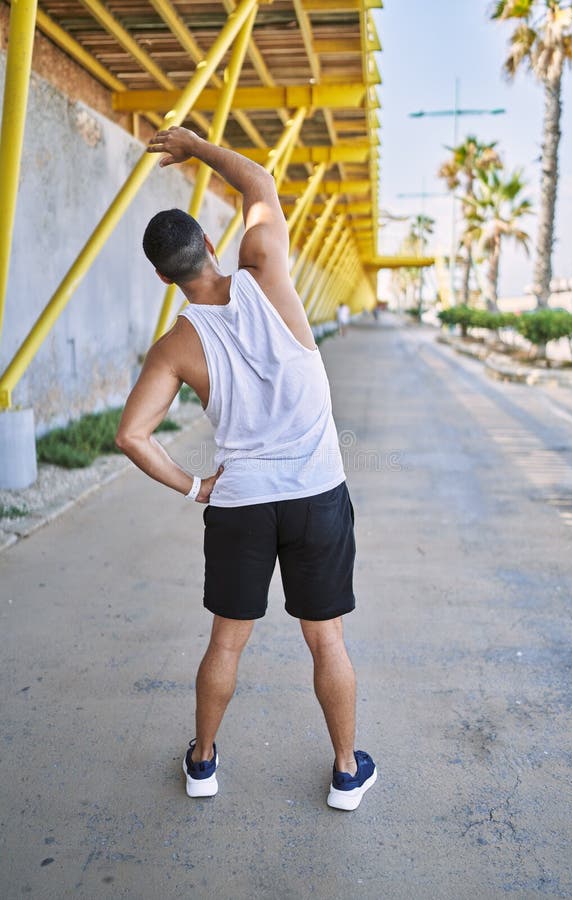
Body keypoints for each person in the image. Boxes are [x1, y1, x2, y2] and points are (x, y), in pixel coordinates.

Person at [116, 126, 376, 811]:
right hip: (317, 493)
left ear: (161, 275)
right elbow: (259, 183)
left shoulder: (176, 345)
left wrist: (194, 485)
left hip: (240, 502)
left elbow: (132, 436)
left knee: (225, 642)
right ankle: (347, 770)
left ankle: (203, 762)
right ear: (209, 245)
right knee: (326, 640)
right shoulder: (265, 270)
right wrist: (195, 145)